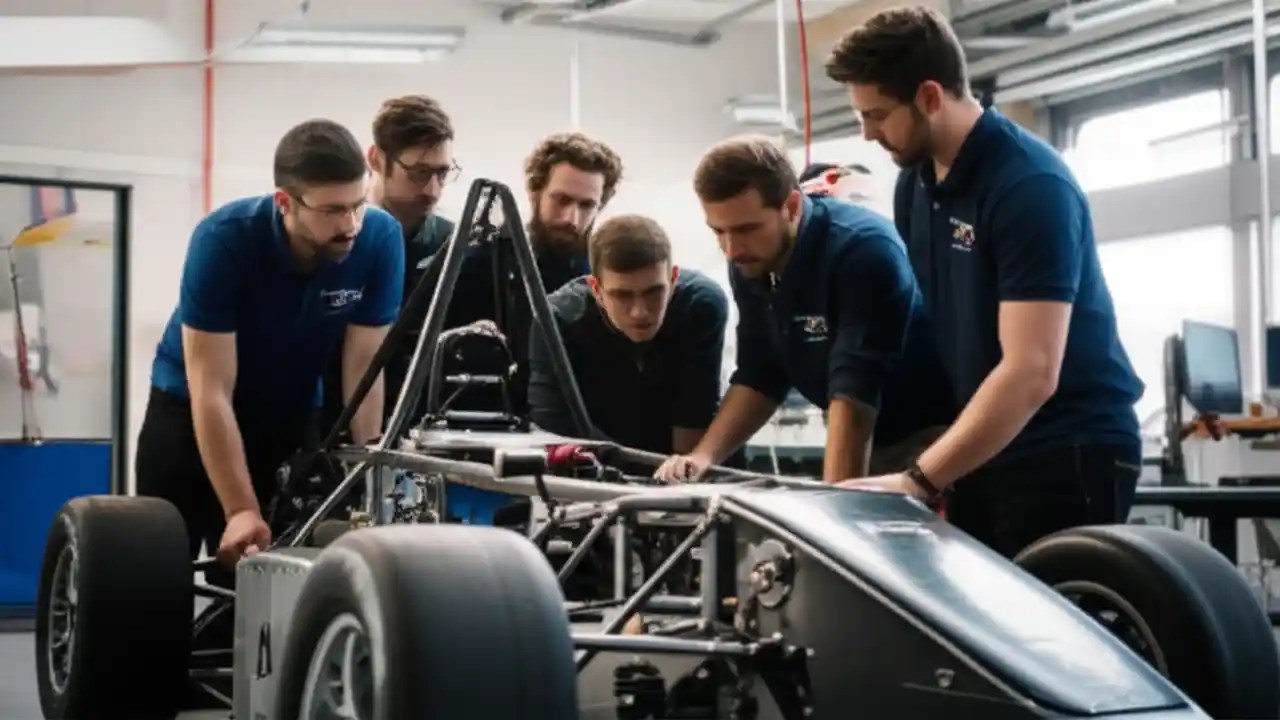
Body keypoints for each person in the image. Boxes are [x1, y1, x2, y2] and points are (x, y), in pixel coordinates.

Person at [825, 5, 1145, 558]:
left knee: (1046, 637)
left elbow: (1031, 371)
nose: (866, 132)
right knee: (973, 637)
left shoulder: (1029, 185)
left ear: (929, 97)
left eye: (876, 114)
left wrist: (920, 478)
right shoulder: (916, 185)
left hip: (1066, 445)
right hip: (985, 450)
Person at [134, 119, 405, 577]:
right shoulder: (223, 240)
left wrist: (372, 483)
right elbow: (212, 389)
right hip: (189, 409)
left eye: (358, 204)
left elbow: (364, 369)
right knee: (160, 571)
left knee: (269, 567)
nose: (351, 224)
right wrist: (241, 508)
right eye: (333, 210)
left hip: (290, 411)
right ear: (286, 203)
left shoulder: (380, 238)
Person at [655, 135, 954, 484]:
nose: (732, 249)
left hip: (934, 436)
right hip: (868, 434)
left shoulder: (863, 251)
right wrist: (702, 456)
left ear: (792, 206)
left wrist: (837, 501)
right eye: (718, 231)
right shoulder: (751, 261)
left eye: (747, 229)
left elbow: (855, 390)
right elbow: (760, 374)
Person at [527, 214, 729, 454]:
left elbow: (694, 418)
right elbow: (554, 427)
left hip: (687, 463)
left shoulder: (700, 306)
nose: (639, 313)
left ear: (673, 279)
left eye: (654, 292)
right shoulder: (558, 321)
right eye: (622, 295)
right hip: (594, 469)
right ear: (597, 289)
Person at [320, 94, 458, 435]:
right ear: (376, 159)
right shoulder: (334, 237)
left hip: (416, 426)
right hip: (326, 420)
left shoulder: (451, 244)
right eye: (419, 173)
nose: (433, 189)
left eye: (442, 173)